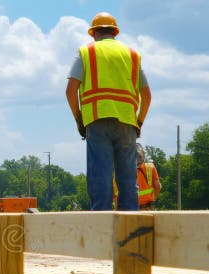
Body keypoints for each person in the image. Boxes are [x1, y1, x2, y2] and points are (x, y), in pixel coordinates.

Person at [65, 12, 152, 211]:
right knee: (128, 177)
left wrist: (79, 119)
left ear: (93, 33)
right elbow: (147, 95)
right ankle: (131, 225)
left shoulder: (86, 52)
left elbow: (70, 90)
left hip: (97, 121)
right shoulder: (132, 55)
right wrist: (139, 122)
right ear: (115, 32)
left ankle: (101, 223)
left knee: (101, 175)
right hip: (128, 124)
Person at [136, 143, 161, 210]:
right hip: (148, 207)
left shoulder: (124, 170)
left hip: (132, 208)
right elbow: (158, 187)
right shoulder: (150, 167)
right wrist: (153, 200)